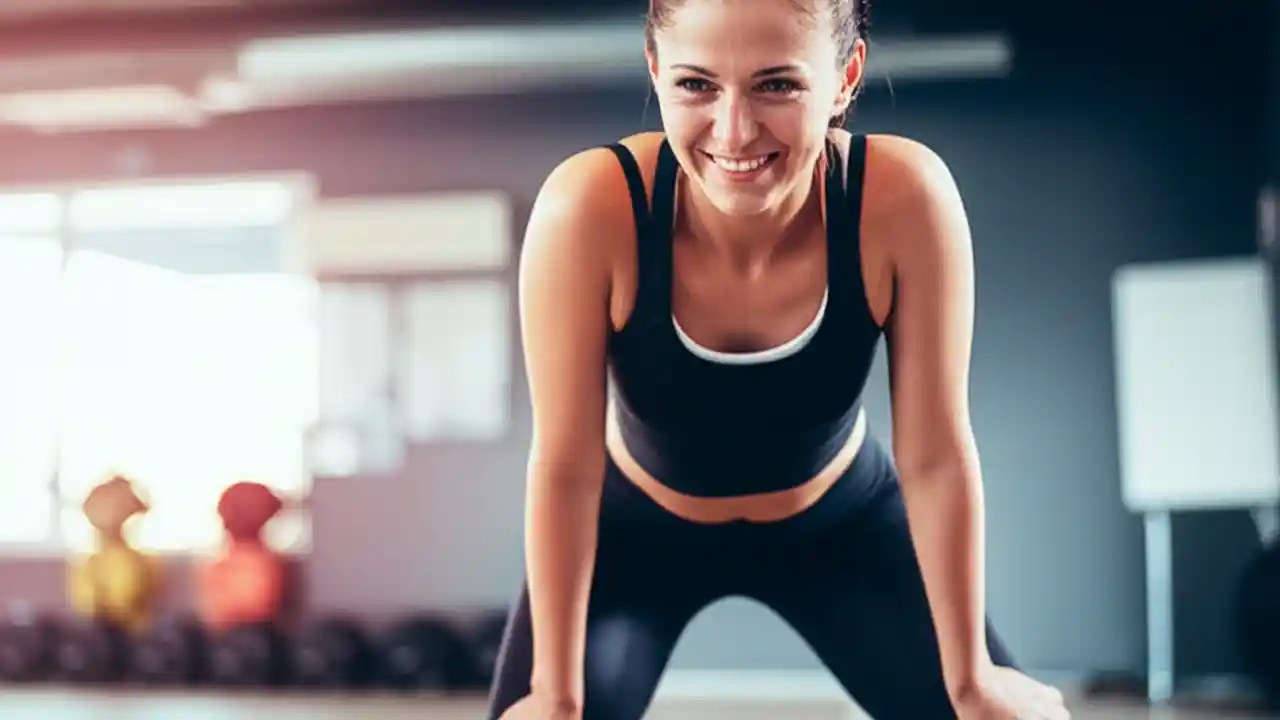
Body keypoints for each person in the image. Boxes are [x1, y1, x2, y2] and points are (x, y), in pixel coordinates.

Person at [488, 1, 1070, 718]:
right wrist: (554, 692)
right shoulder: (592, 207)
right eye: (696, 85)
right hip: (635, 538)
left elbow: (937, 454)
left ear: (845, 77)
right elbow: (566, 464)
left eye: (778, 85)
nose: (734, 131)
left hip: (841, 527)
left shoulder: (901, 199)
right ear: (655, 70)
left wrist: (972, 679)